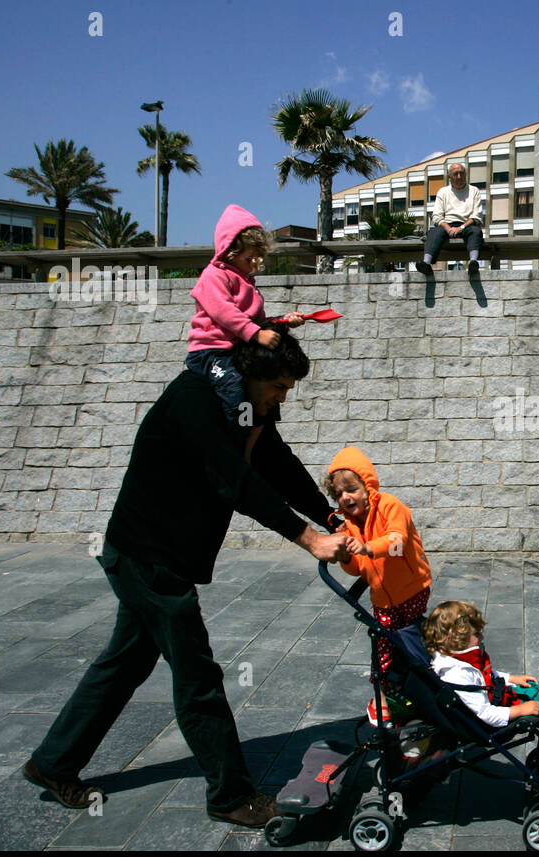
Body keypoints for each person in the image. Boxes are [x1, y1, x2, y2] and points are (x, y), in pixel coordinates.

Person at [23, 327, 345, 829]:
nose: (284, 398)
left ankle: (52, 763)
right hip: (146, 557)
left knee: (124, 664)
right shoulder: (195, 399)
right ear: (252, 373)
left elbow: (272, 461)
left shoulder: (244, 404)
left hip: (159, 557)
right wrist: (308, 538)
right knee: (197, 676)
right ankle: (230, 796)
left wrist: (327, 517)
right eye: (279, 387)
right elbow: (231, 478)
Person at [421, 600, 539, 800]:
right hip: (498, 714)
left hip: (500, 694)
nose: (481, 637)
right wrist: (521, 710)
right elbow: (485, 713)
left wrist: (510, 678)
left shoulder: (465, 655)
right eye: (476, 634)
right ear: (455, 639)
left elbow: (486, 674)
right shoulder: (455, 673)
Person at [322, 446, 431, 723]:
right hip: (382, 597)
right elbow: (357, 568)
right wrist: (347, 555)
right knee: (384, 645)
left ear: (367, 486)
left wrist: (367, 546)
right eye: (339, 494)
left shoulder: (391, 506)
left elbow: (396, 542)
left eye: (352, 489)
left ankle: (422, 685)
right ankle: (383, 695)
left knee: (412, 640)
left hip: (413, 587)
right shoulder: (349, 524)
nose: (346, 497)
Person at [185, 204, 305, 433]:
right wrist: (256, 334)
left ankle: (263, 429)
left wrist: (282, 321)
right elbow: (224, 312)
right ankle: (238, 432)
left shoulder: (246, 282)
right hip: (212, 352)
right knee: (234, 388)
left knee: (267, 382)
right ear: (231, 250)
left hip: (237, 348)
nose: (253, 265)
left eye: (257, 260)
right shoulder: (214, 276)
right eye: (249, 258)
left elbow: (256, 320)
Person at [415, 163, 484, 276]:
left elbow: (476, 215)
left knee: (476, 232)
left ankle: (473, 262)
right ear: (449, 177)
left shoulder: (474, 191)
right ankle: (426, 263)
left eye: (461, 173)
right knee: (433, 233)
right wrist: (448, 228)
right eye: (455, 174)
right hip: (447, 225)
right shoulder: (443, 192)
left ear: (465, 174)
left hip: (467, 225)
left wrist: (461, 228)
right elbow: (437, 215)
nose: (459, 177)